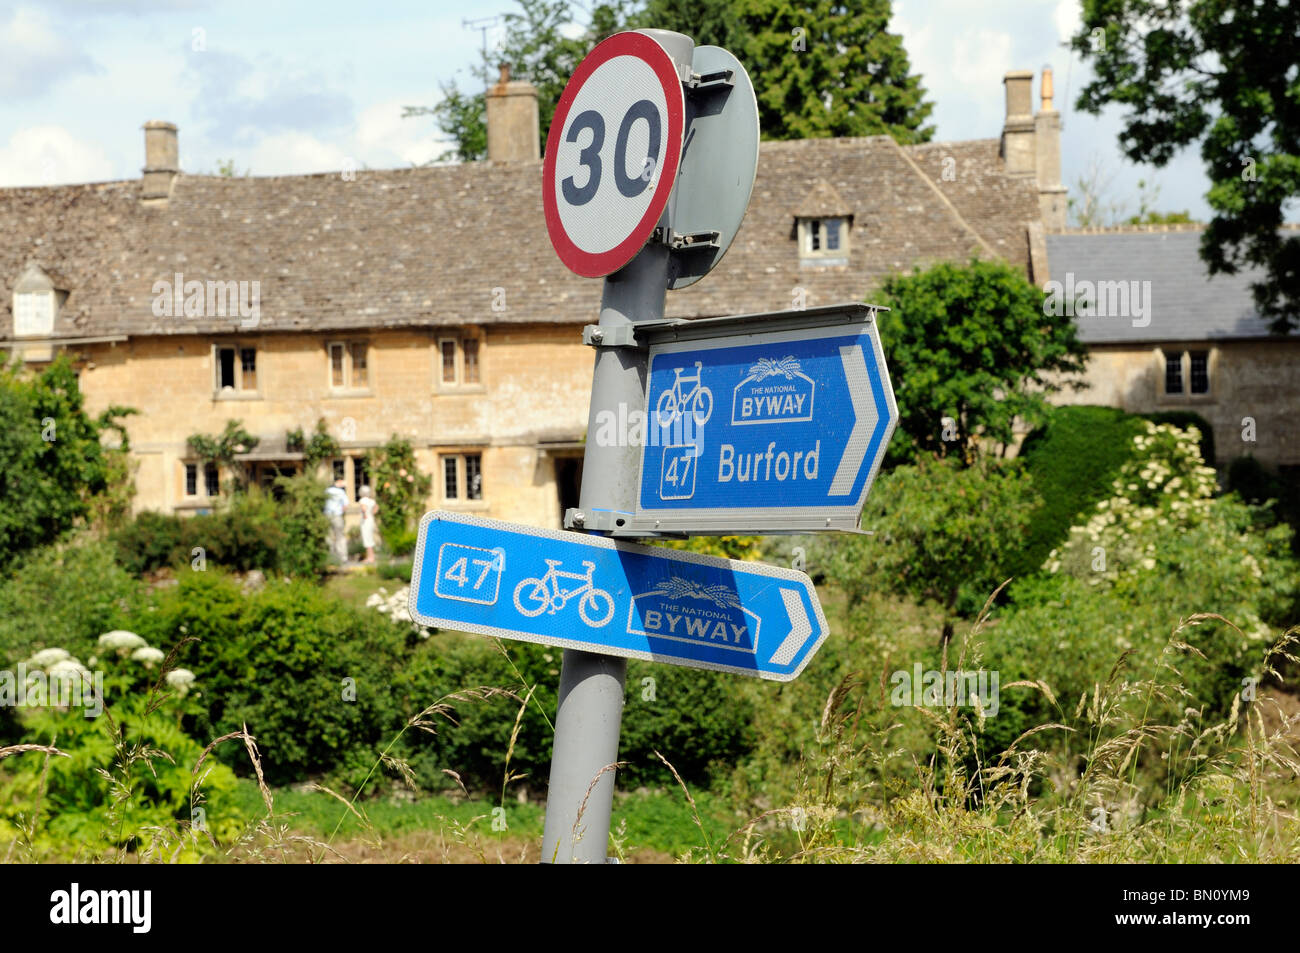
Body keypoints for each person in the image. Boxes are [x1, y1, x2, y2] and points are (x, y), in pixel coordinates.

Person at [324, 477, 349, 565]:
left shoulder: (326, 491)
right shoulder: (341, 492)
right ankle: (343, 557)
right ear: (337, 481)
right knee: (340, 536)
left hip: (327, 515)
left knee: (328, 536)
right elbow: (346, 505)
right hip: (337, 516)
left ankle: (330, 556)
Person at [358, 484, 379, 564]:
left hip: (365, 521)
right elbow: (376, 508)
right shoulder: (371, 500)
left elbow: (364, 508)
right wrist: (372, 513)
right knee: (370, 538)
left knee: (367, 539)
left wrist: (365, 514)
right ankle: (371, 557)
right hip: (371, 519)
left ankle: (370, 558)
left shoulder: (362, 500)